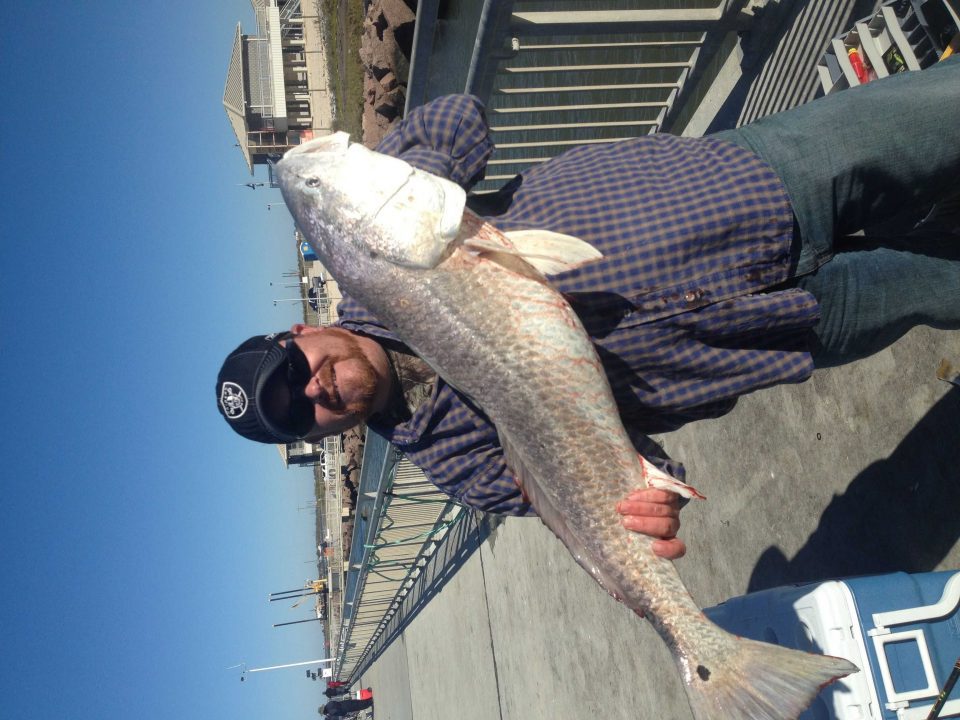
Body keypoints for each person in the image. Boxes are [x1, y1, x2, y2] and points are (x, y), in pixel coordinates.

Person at [218, 58, 960, 557]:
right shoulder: (458, 465)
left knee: (943, 113)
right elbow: (620, 479)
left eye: (295, 370)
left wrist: (393, 195)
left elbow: (460, 120)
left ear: (302, 331)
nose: (313, 389)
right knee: (945, 286)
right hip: (775, 332)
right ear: (321, 431)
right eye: (298, 412)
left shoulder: (373, 247)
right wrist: (646, 508)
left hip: (752, 187)